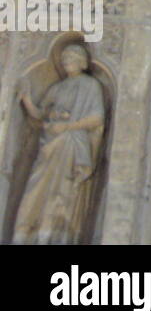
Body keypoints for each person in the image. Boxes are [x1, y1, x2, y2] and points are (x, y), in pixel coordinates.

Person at [13, 43, 106, 244]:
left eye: (71, 56)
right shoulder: (58, 88)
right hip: (50, 146)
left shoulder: (91, 86)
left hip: (71, 146)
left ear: (82, 62)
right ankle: (27, 233)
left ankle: (55, 236)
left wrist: (67, 127)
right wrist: (27, 98)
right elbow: (40, 115)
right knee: (36, 189)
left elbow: (97, 118)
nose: (66, 61)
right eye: (64, 57)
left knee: (63, 193)